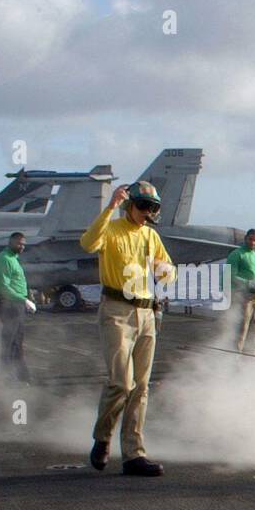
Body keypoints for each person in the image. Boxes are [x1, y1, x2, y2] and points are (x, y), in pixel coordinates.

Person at [80, 180, 175, 476]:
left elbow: (168, 270)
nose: (147, 212)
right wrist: (109, 207)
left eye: (152, 207)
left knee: (141, 387)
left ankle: (133, 454)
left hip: (147, 313)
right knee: (121, 382)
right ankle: (102, 436)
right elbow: (88, 243)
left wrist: (164, 272)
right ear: (128, 205)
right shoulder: (111, 229)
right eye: (143, 206)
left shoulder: (150, 236)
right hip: (116, 311)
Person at [0, 231, 36, 384]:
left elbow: (15, 281)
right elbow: (3, 287)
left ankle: (21, 377)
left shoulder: (13, 258)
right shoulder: (5, 259)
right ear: (11, 242)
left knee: (17, 342)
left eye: (23, 244)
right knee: (11, 343)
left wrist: (26, 295)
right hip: (10, 305)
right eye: (19, 243)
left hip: (16, 304)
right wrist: (23, 300)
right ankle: (9, 378)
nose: (22, 246)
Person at [227, 228, 255, 354]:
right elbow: (230, 276)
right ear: (245, 239)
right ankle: (236, 356)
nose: (253, 243)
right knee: (242, 328)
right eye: (251, 239)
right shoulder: (237, 254)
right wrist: (249, 284)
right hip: (243, 297)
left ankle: (252, 356)